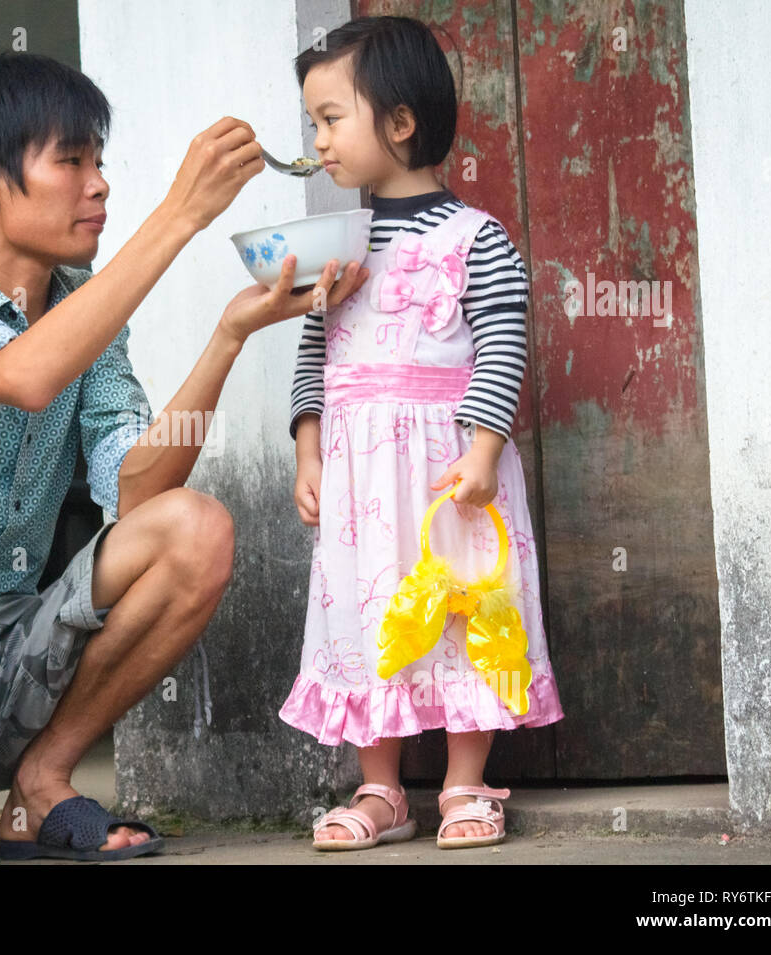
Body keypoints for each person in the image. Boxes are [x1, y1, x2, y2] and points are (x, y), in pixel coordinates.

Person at [0, 51, 367, 863]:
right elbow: (24, 374)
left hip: (14, 666)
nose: (100, 185)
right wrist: (179, 217)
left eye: (100, 161)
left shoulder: (87, 310)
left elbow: (140, 486)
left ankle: (41, 783)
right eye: (72, 161)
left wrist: (228, 334)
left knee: (195, 528)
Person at [278, 16, 565, 850]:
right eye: (314, 125)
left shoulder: (477, 238)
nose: (320, 141)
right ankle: (380, 789)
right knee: (371, 618)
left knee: (462, 613)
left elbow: (504, 344)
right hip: (359, 486)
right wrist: (308, 449)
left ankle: (465, 783)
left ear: (399, 123)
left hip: (449, 476)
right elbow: (312, 351)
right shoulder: (336, 248)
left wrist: (482, 450)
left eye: (333, 118)